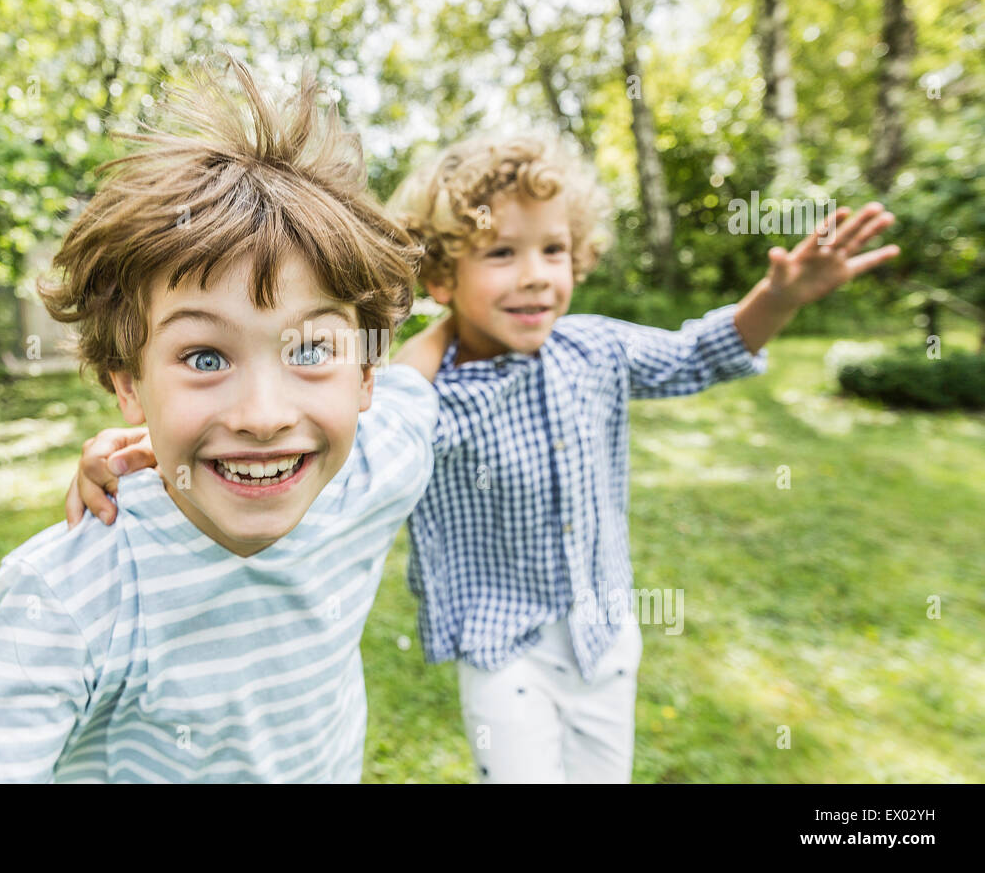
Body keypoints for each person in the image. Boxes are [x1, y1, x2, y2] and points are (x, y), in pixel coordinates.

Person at [67, 130, 899, 783]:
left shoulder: (596, 349)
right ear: (439, 274)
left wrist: (776, 298)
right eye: (501, 254)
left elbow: (696, 354)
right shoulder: (424, 394)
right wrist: (149, 449)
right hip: (501, 648)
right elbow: (313, 446)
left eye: (554, 250)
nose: (535, 276)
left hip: (606, 634)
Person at [0, 55, 450, 782]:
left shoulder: (373, 470)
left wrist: (466, 321)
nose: (264, 417)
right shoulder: (85, 589)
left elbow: (418, 385)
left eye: (309, 350)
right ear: (128, 386)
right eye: (205, 358)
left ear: (365, 373)